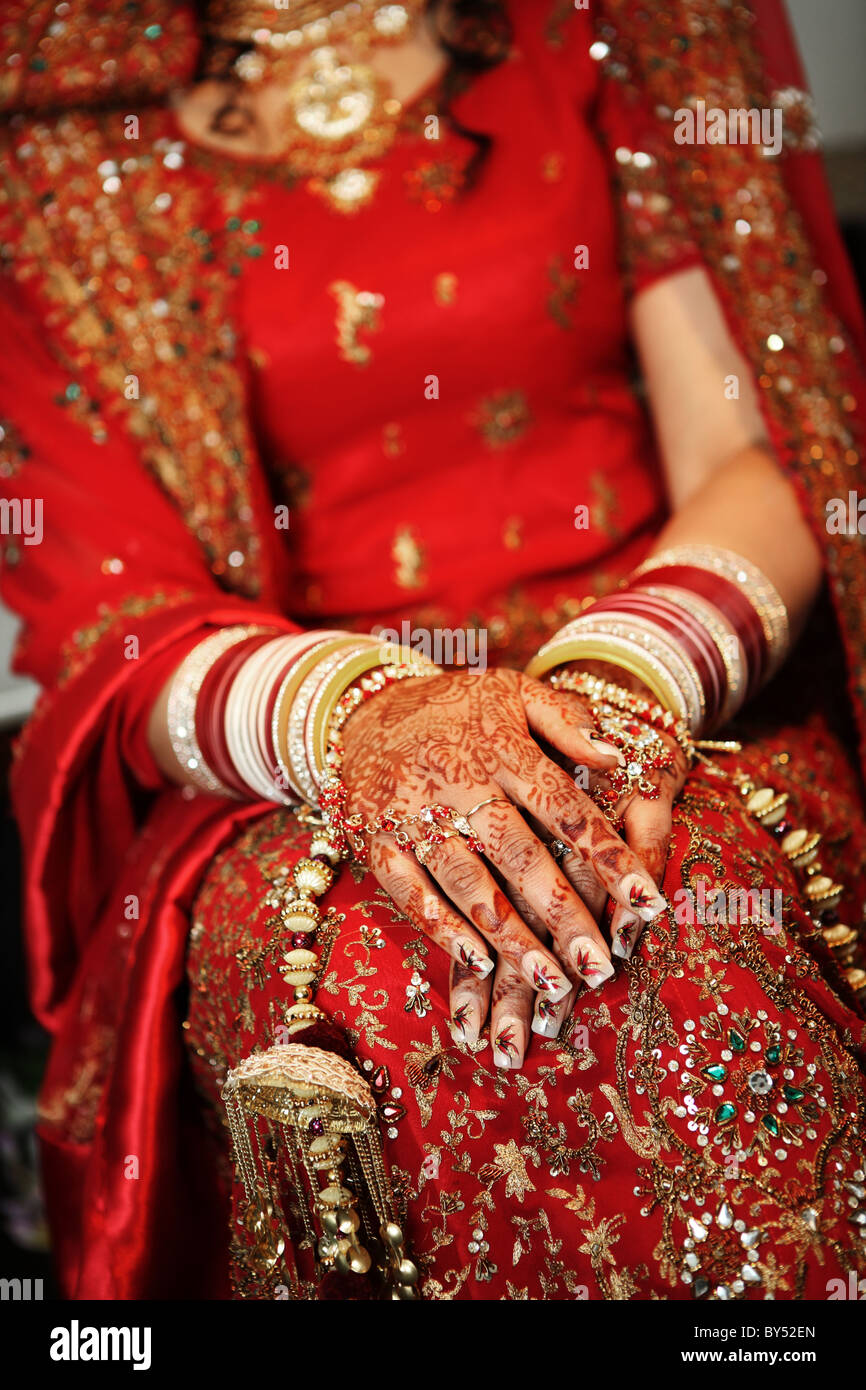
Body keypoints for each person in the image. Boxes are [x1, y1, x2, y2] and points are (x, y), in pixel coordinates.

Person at [1, 0, 865, 1300]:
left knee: (684, 911)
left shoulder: (612, 22)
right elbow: (112, 609)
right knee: (364, 966)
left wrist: (611, 689)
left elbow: (754, 440)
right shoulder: (49, 125)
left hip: (652, 657)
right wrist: (366, 733)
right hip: (302, 739)